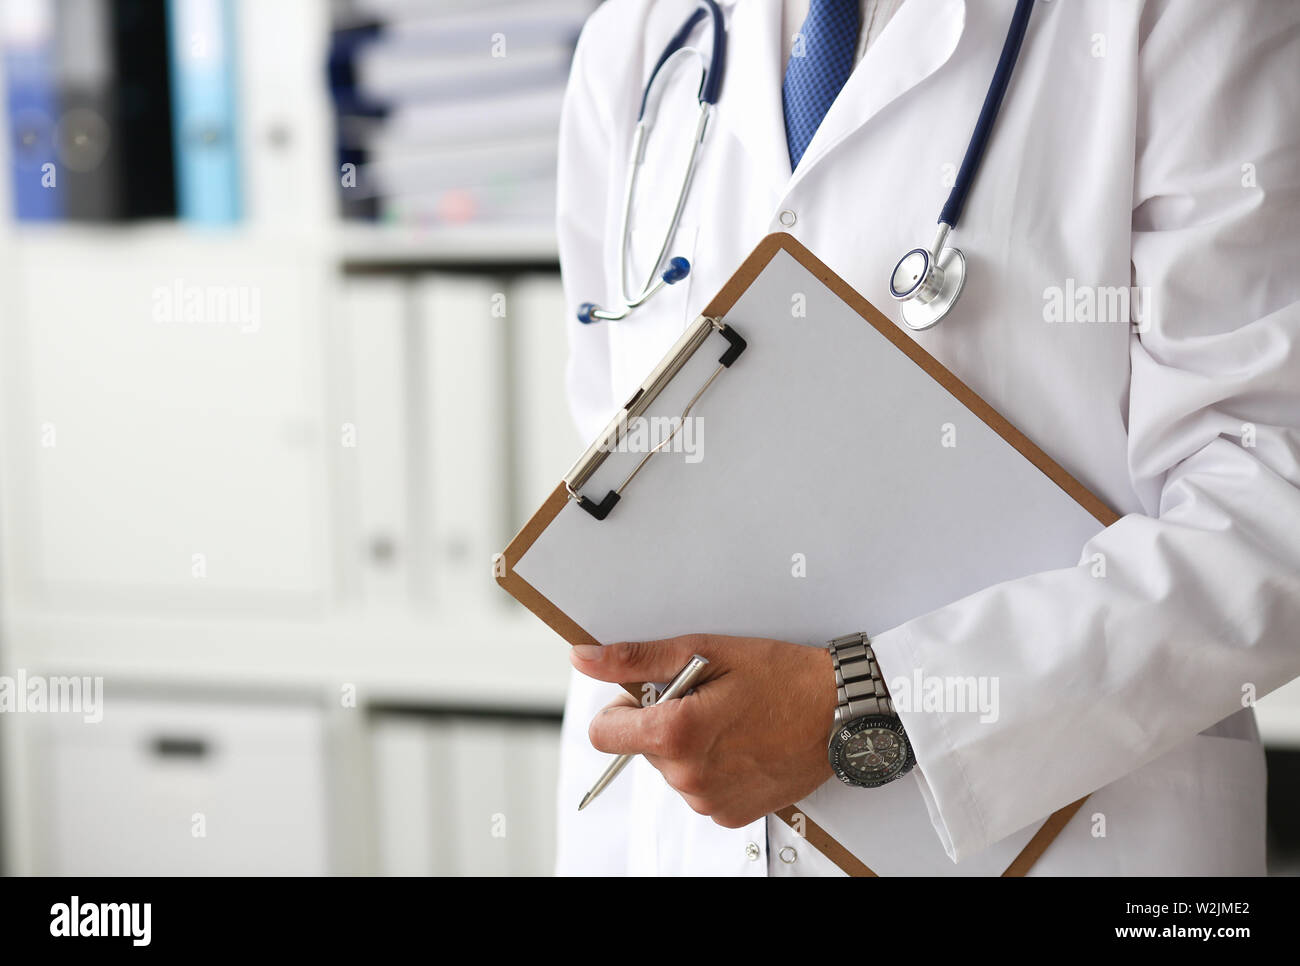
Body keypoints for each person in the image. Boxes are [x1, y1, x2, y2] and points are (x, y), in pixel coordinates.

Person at [552, 0, 1300, 875]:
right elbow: (614, 500)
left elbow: (1270, 505)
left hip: (1080, 839)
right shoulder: (640, 40)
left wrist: (886, 706)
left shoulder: (1182, 19)